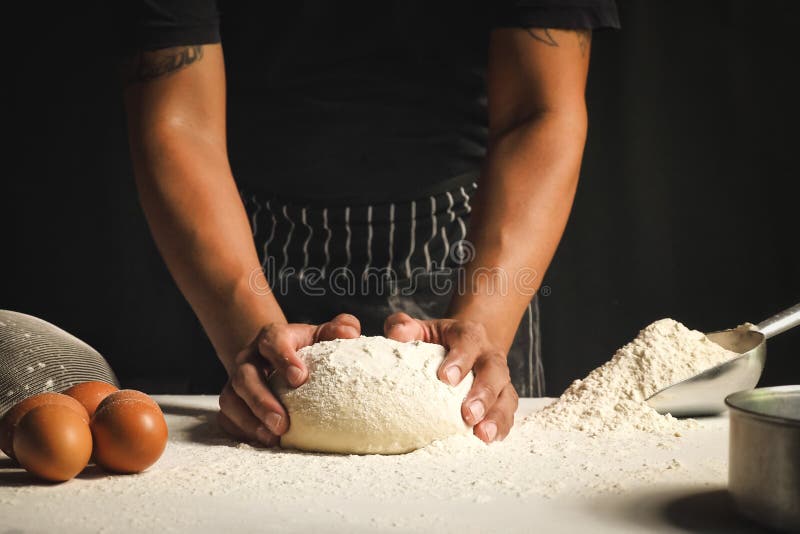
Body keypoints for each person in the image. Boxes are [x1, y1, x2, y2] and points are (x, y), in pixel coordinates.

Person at [117, 1, 619, 447]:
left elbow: (538, 110)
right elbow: (181, 122)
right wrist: (252, 338)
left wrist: (481, 329)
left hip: (469, 244)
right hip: (246, 250)